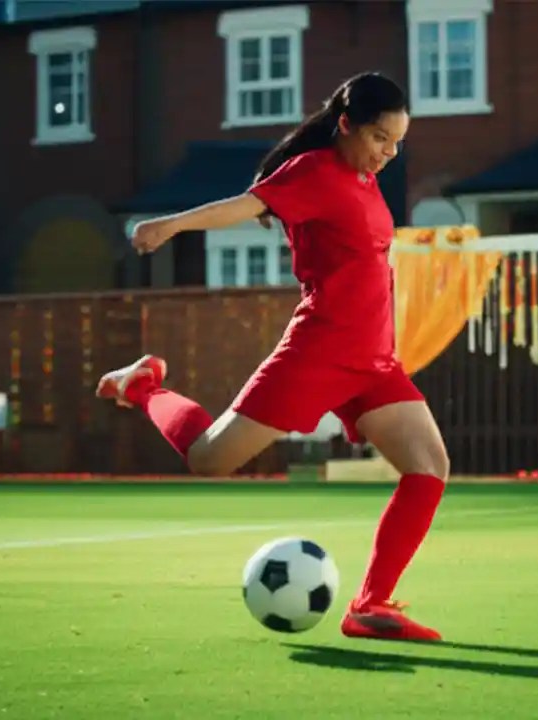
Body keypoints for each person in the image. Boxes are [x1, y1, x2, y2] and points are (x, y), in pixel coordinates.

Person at [96, 72, 448, 642]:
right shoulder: (314, 170)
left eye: (397, 142)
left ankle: (370, 606)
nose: (388, 152)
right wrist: (172, 225)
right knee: (210, 460)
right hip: (320, 351)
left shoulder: (365, 177)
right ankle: (143, 386)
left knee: (428, 468)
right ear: (346, 126)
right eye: (380, 138)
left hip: (374, 359)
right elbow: (245, 205)